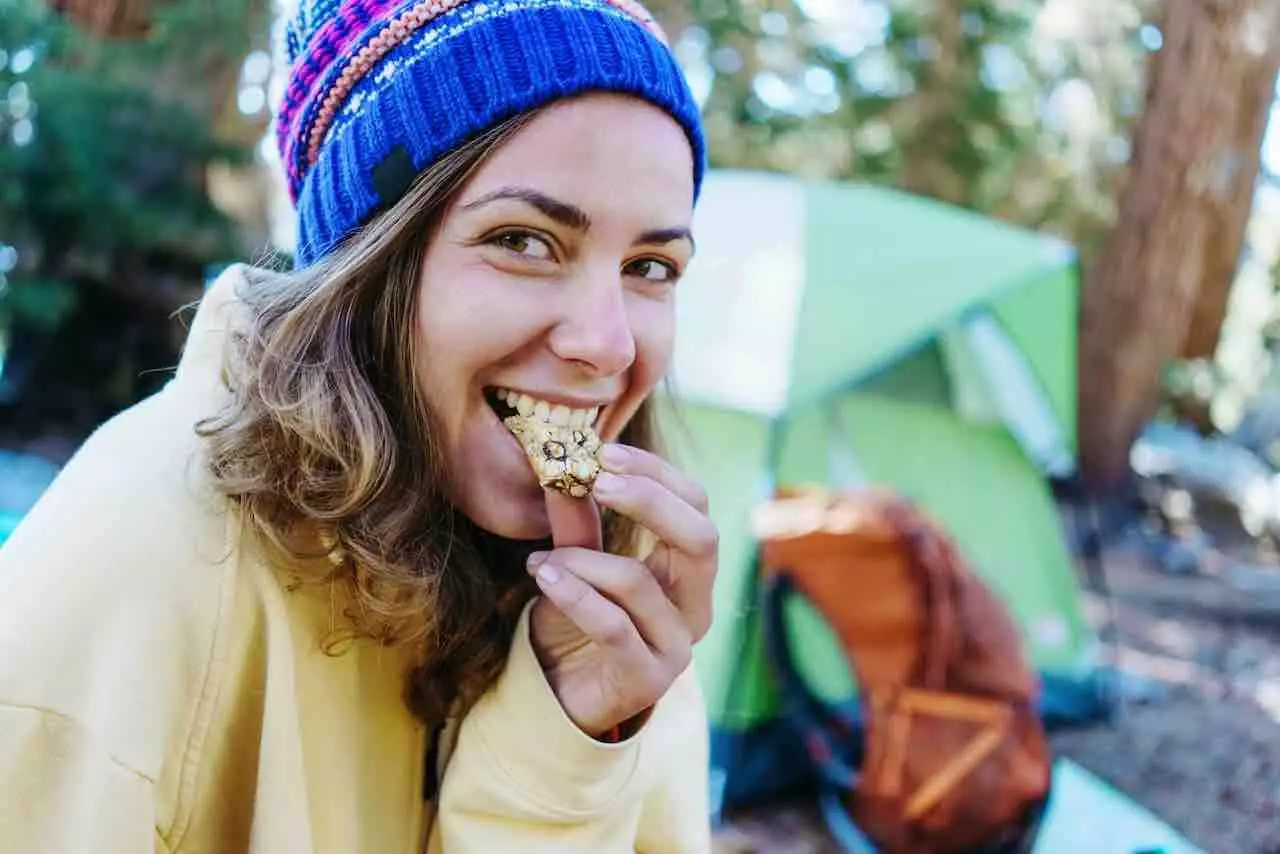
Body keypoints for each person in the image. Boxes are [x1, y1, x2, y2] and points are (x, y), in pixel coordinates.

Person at [0, 1, 719, 851]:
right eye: (523, 241)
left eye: (649, 267)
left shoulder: (620, 620)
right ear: (365, 263)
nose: (606, 344)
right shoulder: (137, 565)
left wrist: (564, 746)